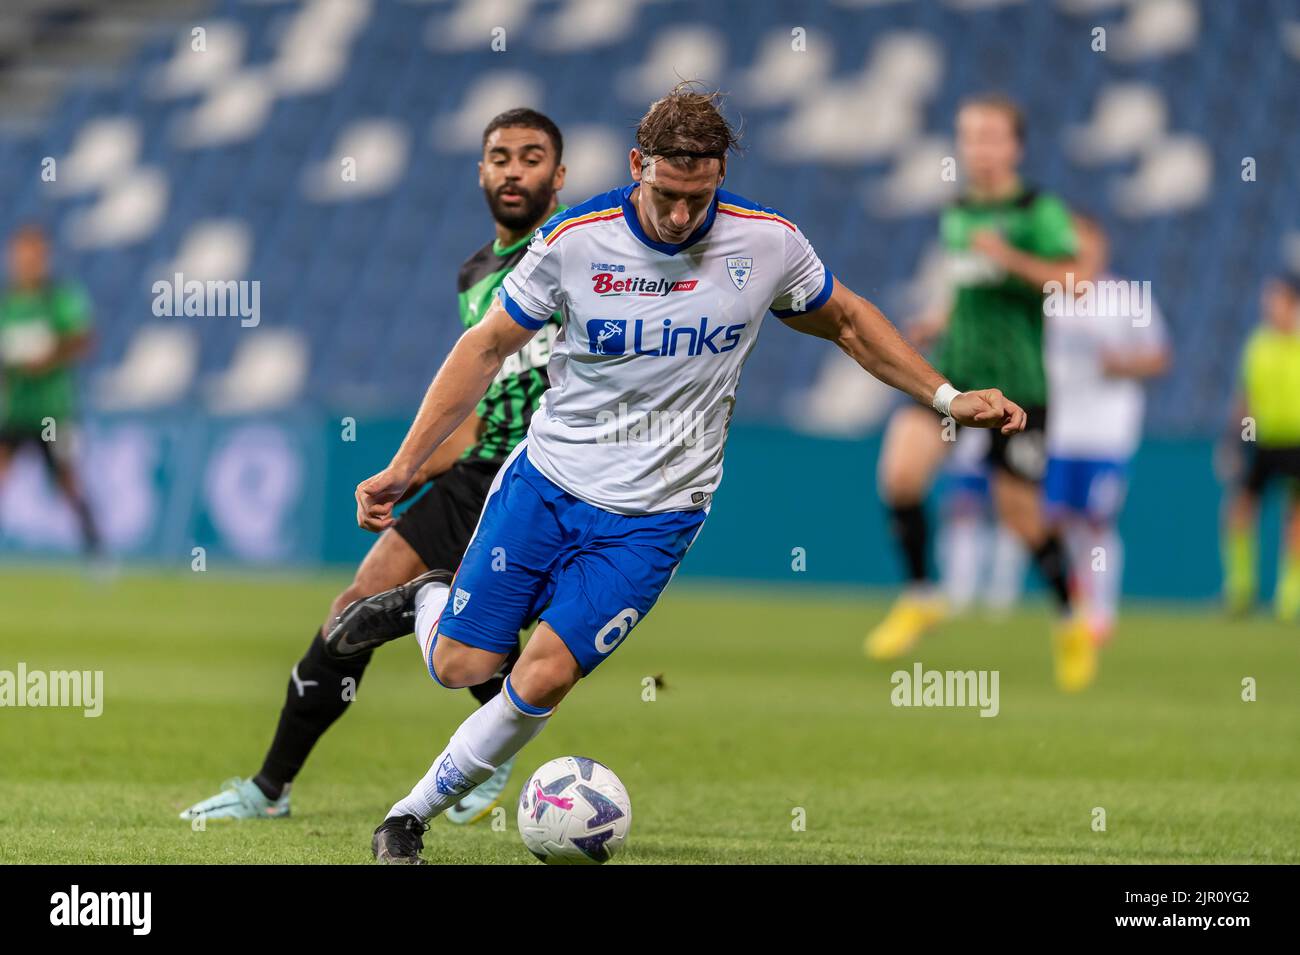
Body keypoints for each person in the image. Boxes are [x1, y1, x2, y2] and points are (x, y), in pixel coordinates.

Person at [343, 85, 1027, 864]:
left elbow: (847, 320)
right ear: (638, 165)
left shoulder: (766, 243)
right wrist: (404, 466)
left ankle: (405, 818)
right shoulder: (577, 239)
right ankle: (428, 593)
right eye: (666, 195)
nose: (679, 217)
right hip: (546, 482)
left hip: (655, 516)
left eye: (697, 197)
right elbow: (484, 347)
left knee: (542, 677)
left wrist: (946, 395)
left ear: (721, 174)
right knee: (461, 664)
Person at [179, 108, 568, 825]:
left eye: (532, 156)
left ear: (559, 175)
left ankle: (495, 748)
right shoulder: (477, 274)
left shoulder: (578, 254)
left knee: (475, 636)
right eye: (500, 156)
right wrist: (409, 470)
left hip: (549, 476)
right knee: (355, 607)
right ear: (480, 171)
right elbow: (486, 405)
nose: (514, 170)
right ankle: (270, 790)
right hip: (476, 471)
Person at [864, 94, 1096, 692]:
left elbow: (1076, 282)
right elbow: (972, 286)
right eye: (970, 136)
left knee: (1022, 519)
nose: (979, 148)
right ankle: (922, 595)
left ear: (1014, 146)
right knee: (900, 473)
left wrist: (1011, 256)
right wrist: (941, 318)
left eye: (992, 136)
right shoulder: (959, 211)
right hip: (955, 377)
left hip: (1018, 388)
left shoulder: (1036, 210)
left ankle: (1072, 618)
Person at [1043, 214, 1170, 642]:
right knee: (1060, 521)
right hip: (1059, 429)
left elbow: (1159, 356)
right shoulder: (1049, 297)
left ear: (1102, 248)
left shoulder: (1126, 298)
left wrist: (1123, 363)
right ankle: (1074, 602)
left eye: (1086, 243)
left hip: (1107, 431)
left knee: (1098, 521)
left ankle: (1101, 614)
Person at [0, 224, 99, 556]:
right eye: (20, 254)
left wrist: (48, 355)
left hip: (54, 411)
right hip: (16, 410)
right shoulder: (7, 304)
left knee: (67, 482)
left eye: (32, 254)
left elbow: (83, 339)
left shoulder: (58, 298)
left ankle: (95, 549)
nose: (25, 261)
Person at [1220, 275, 1300, 620]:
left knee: (1295, 519)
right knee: (1239, 511)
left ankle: (1290, 597)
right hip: (1264, 441)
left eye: (1277, 300)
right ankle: (1240, 590)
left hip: (1297, 440)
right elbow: (1245, 398)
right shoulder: (1258, 344)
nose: (1270, 307)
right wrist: (1235, 442)